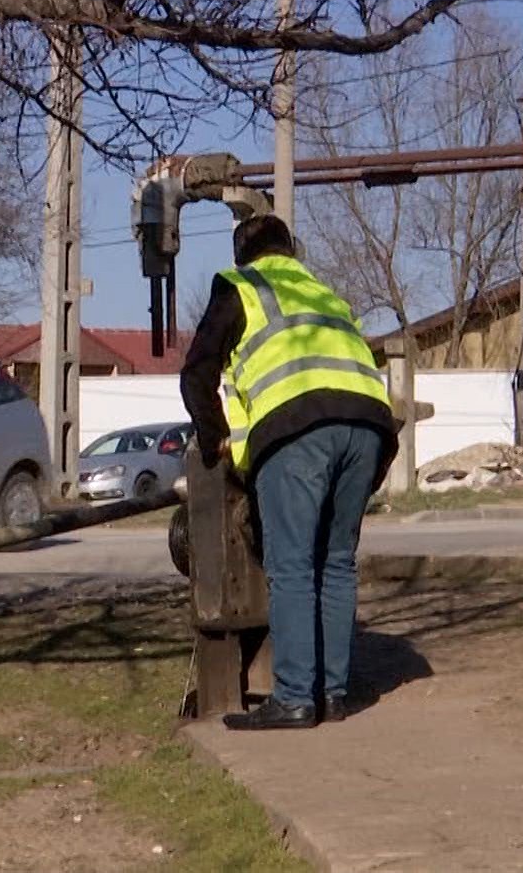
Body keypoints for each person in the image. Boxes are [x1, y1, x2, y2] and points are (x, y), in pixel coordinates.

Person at [180, 214, 396, 730]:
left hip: (300, 429)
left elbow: (198, 371)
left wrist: (216, 442)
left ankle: (296, 697)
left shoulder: (241, 286)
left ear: (242, 255)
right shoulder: (323, 293)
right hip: (368, 426)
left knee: (293, 565)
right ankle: (335, 695)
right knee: (338, 561)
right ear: (291, 250)